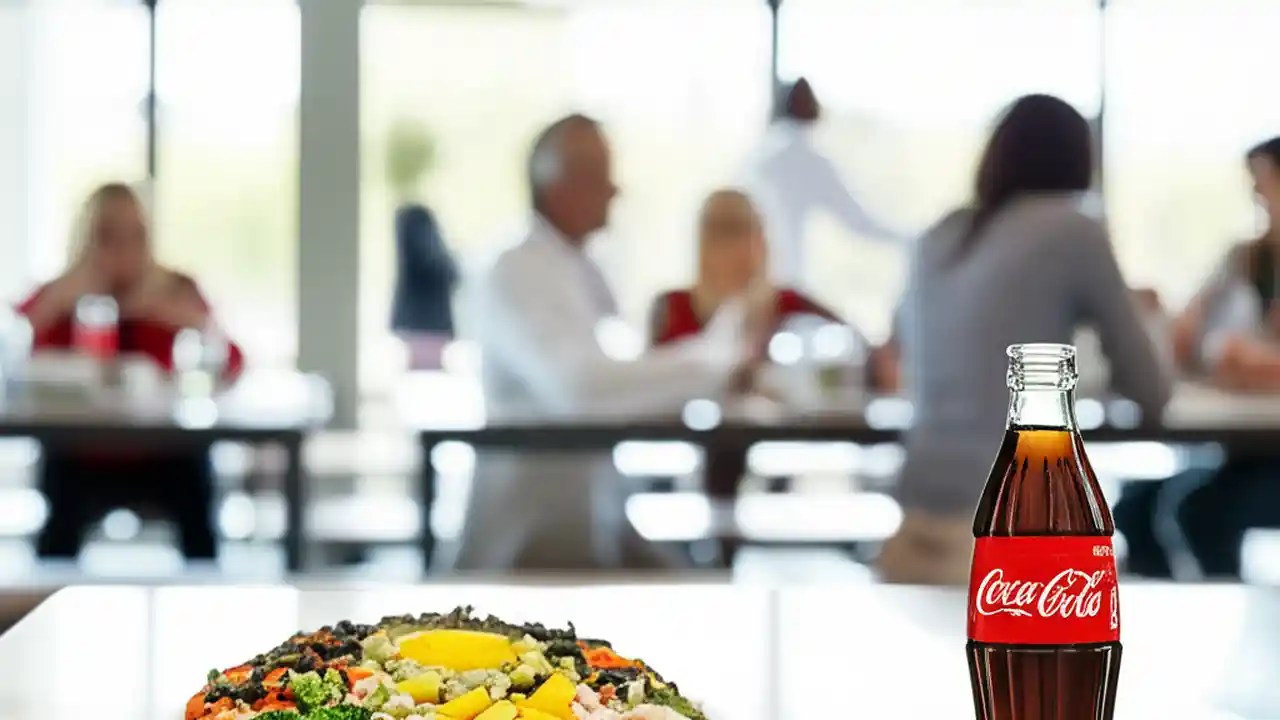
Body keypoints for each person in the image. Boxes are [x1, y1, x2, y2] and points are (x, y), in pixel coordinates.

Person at [880, 94, 1172, 584]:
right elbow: (1151, 390)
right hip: (1005, 531)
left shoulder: (940, 235)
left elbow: (902, 349)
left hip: (911, 528)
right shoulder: (1074, 229)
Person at [456, 115, 754, 571]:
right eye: (599, 176)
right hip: (532, 540)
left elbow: (610, 382)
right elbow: (581, 390)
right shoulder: (518, 269)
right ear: (558, 187)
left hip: (594, 517)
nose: (616, 190)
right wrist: (713, 364)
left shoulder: (574, 267)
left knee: (705, 588)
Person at [17, 182, 243, 559]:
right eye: (107, 236)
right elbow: (18, 358)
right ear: (85, 240)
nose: (122, 249)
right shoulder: (60, 296)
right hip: (82, 455)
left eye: (134, 235)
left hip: (165, 453)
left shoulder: (175, 291)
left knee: (197, 492)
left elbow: (231, 361)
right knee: (57, 510)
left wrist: (184, 319)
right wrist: (58, 303)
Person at [1154, 137, 1280, 578]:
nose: (1259, 195)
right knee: (1133, 507)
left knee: (1196, 510)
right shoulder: (1246, 258)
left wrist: (1254, 364)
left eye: (1267, 181)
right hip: (1246, 444)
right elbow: (1192, 339)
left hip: (1267, 450)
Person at [743, 77, 907, 287]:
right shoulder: (804, 159)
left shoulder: (757, 156)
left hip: (746, 285)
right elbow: (858, 220)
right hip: (783, 285)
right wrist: (914, 241)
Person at [387, 120, 458, 370]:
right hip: (424, 321)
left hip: (417, 321)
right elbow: (435, 263)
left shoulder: (406, 214)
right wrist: (458, 268)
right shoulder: (416, 215)